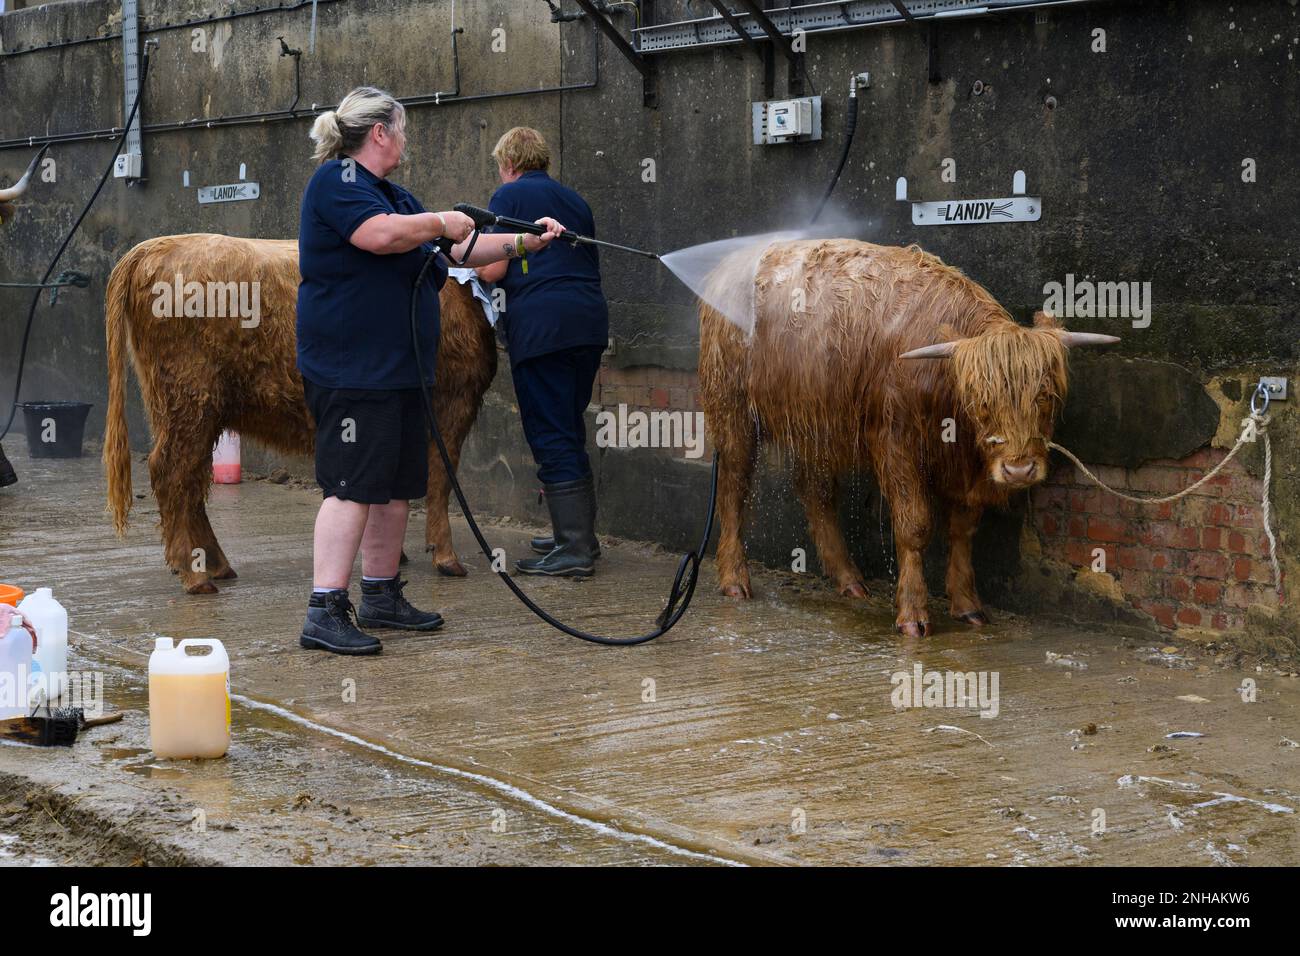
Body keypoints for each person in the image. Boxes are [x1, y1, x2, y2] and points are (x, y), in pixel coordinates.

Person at [297, 89, 565, 655]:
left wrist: (528, 242)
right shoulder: (338, 182)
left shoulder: (393, 194)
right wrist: (442, 218)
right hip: (353, 369)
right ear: (379, 133)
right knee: (350, 488)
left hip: (398, 369)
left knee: (395, 487)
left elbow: (459, 251)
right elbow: (379, 236)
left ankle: (380, 594)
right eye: (401, 128)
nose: (405, 138)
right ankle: (324, 608)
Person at [476, 127, 609, 578]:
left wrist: (456, 262)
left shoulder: (508, 197)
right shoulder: (575, 201)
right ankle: (577, 536)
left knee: (550, 431)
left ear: (509, 164)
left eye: (500, 165)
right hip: (588, 324)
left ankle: (573, 549)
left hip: (542, 328)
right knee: (568, 424)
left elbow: (492, 266)